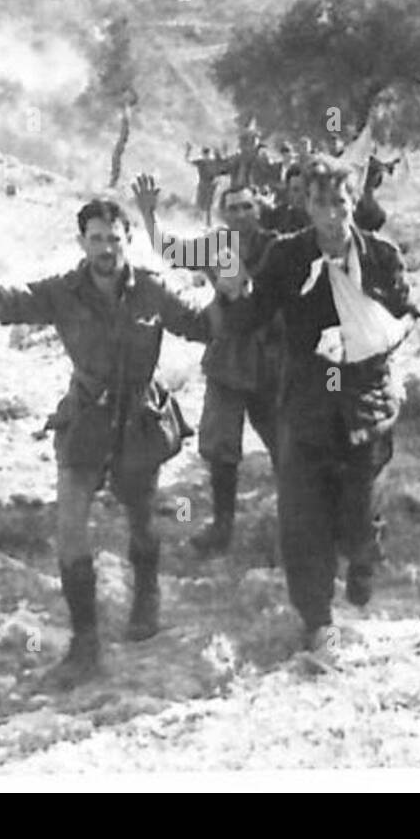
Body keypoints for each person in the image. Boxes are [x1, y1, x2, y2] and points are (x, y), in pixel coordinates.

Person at [0, 199, 217, 689]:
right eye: (97, 239)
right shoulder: (61, 292)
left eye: (115, 239)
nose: (106, 248)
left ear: (128, 240)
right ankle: (86, 646)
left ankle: (145, 596)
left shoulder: (151, 290)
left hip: (138, 421)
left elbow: (205, 324)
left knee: (141, 516)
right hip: (85, 418)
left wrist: (228, 278)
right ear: (82, 242)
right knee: (69, 528)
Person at [213, 157, 420, 667]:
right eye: (320, 203)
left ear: (354, 204)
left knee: (355, 512)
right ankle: (318, 623)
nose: (331, 215)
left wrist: (372, 334)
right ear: (306, 206)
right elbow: (251, 316)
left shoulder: (380, 257)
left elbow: (406, 314)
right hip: (306, 402)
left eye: (340, 202)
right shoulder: (287, 257)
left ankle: (363, 553)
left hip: (366, 401)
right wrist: (230, 292)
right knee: (303, 518)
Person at [132, 175, 281, 557]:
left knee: (287, 443)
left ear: (258, 209)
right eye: (232, 208)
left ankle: (298, 521)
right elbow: (170, 250)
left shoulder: (277, 247)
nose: (241, 214)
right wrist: (149, 214)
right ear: (221, 214)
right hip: (229, 355)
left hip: (272, 357)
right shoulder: (216, 246)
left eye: (247, 206)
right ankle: (223, 526)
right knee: (220, 448)